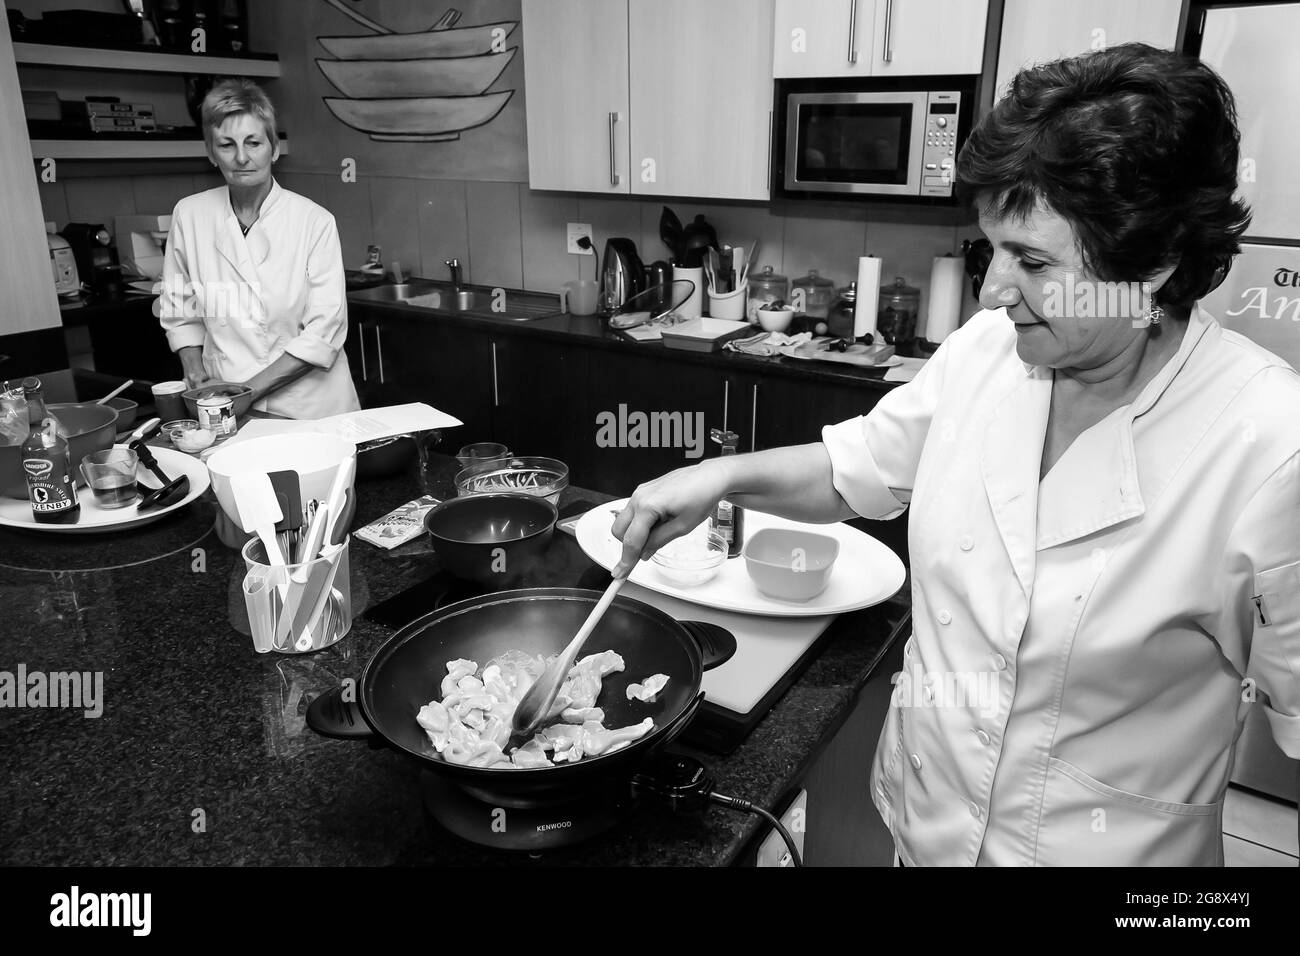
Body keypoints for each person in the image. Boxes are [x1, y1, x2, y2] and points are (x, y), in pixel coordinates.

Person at [610, 43, 1300, 866]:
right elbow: (854, 469)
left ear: (1153, 266)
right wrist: (717, 477)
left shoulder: (1269, 444)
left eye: (1035, 263)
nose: (992, 290)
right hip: (925, 832)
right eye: (991, 251)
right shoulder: (988, 351)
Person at [158, 79, 359, 419]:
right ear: (210, 152)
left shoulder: (314, 221)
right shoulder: (189, 214)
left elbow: (324, 331)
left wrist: (247, 393)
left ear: (273, 148)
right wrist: (195, 374)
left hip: (308, 409)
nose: (241, 157)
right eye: (226, 144)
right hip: (224, 403)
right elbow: (180, 309)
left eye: (253, 142)